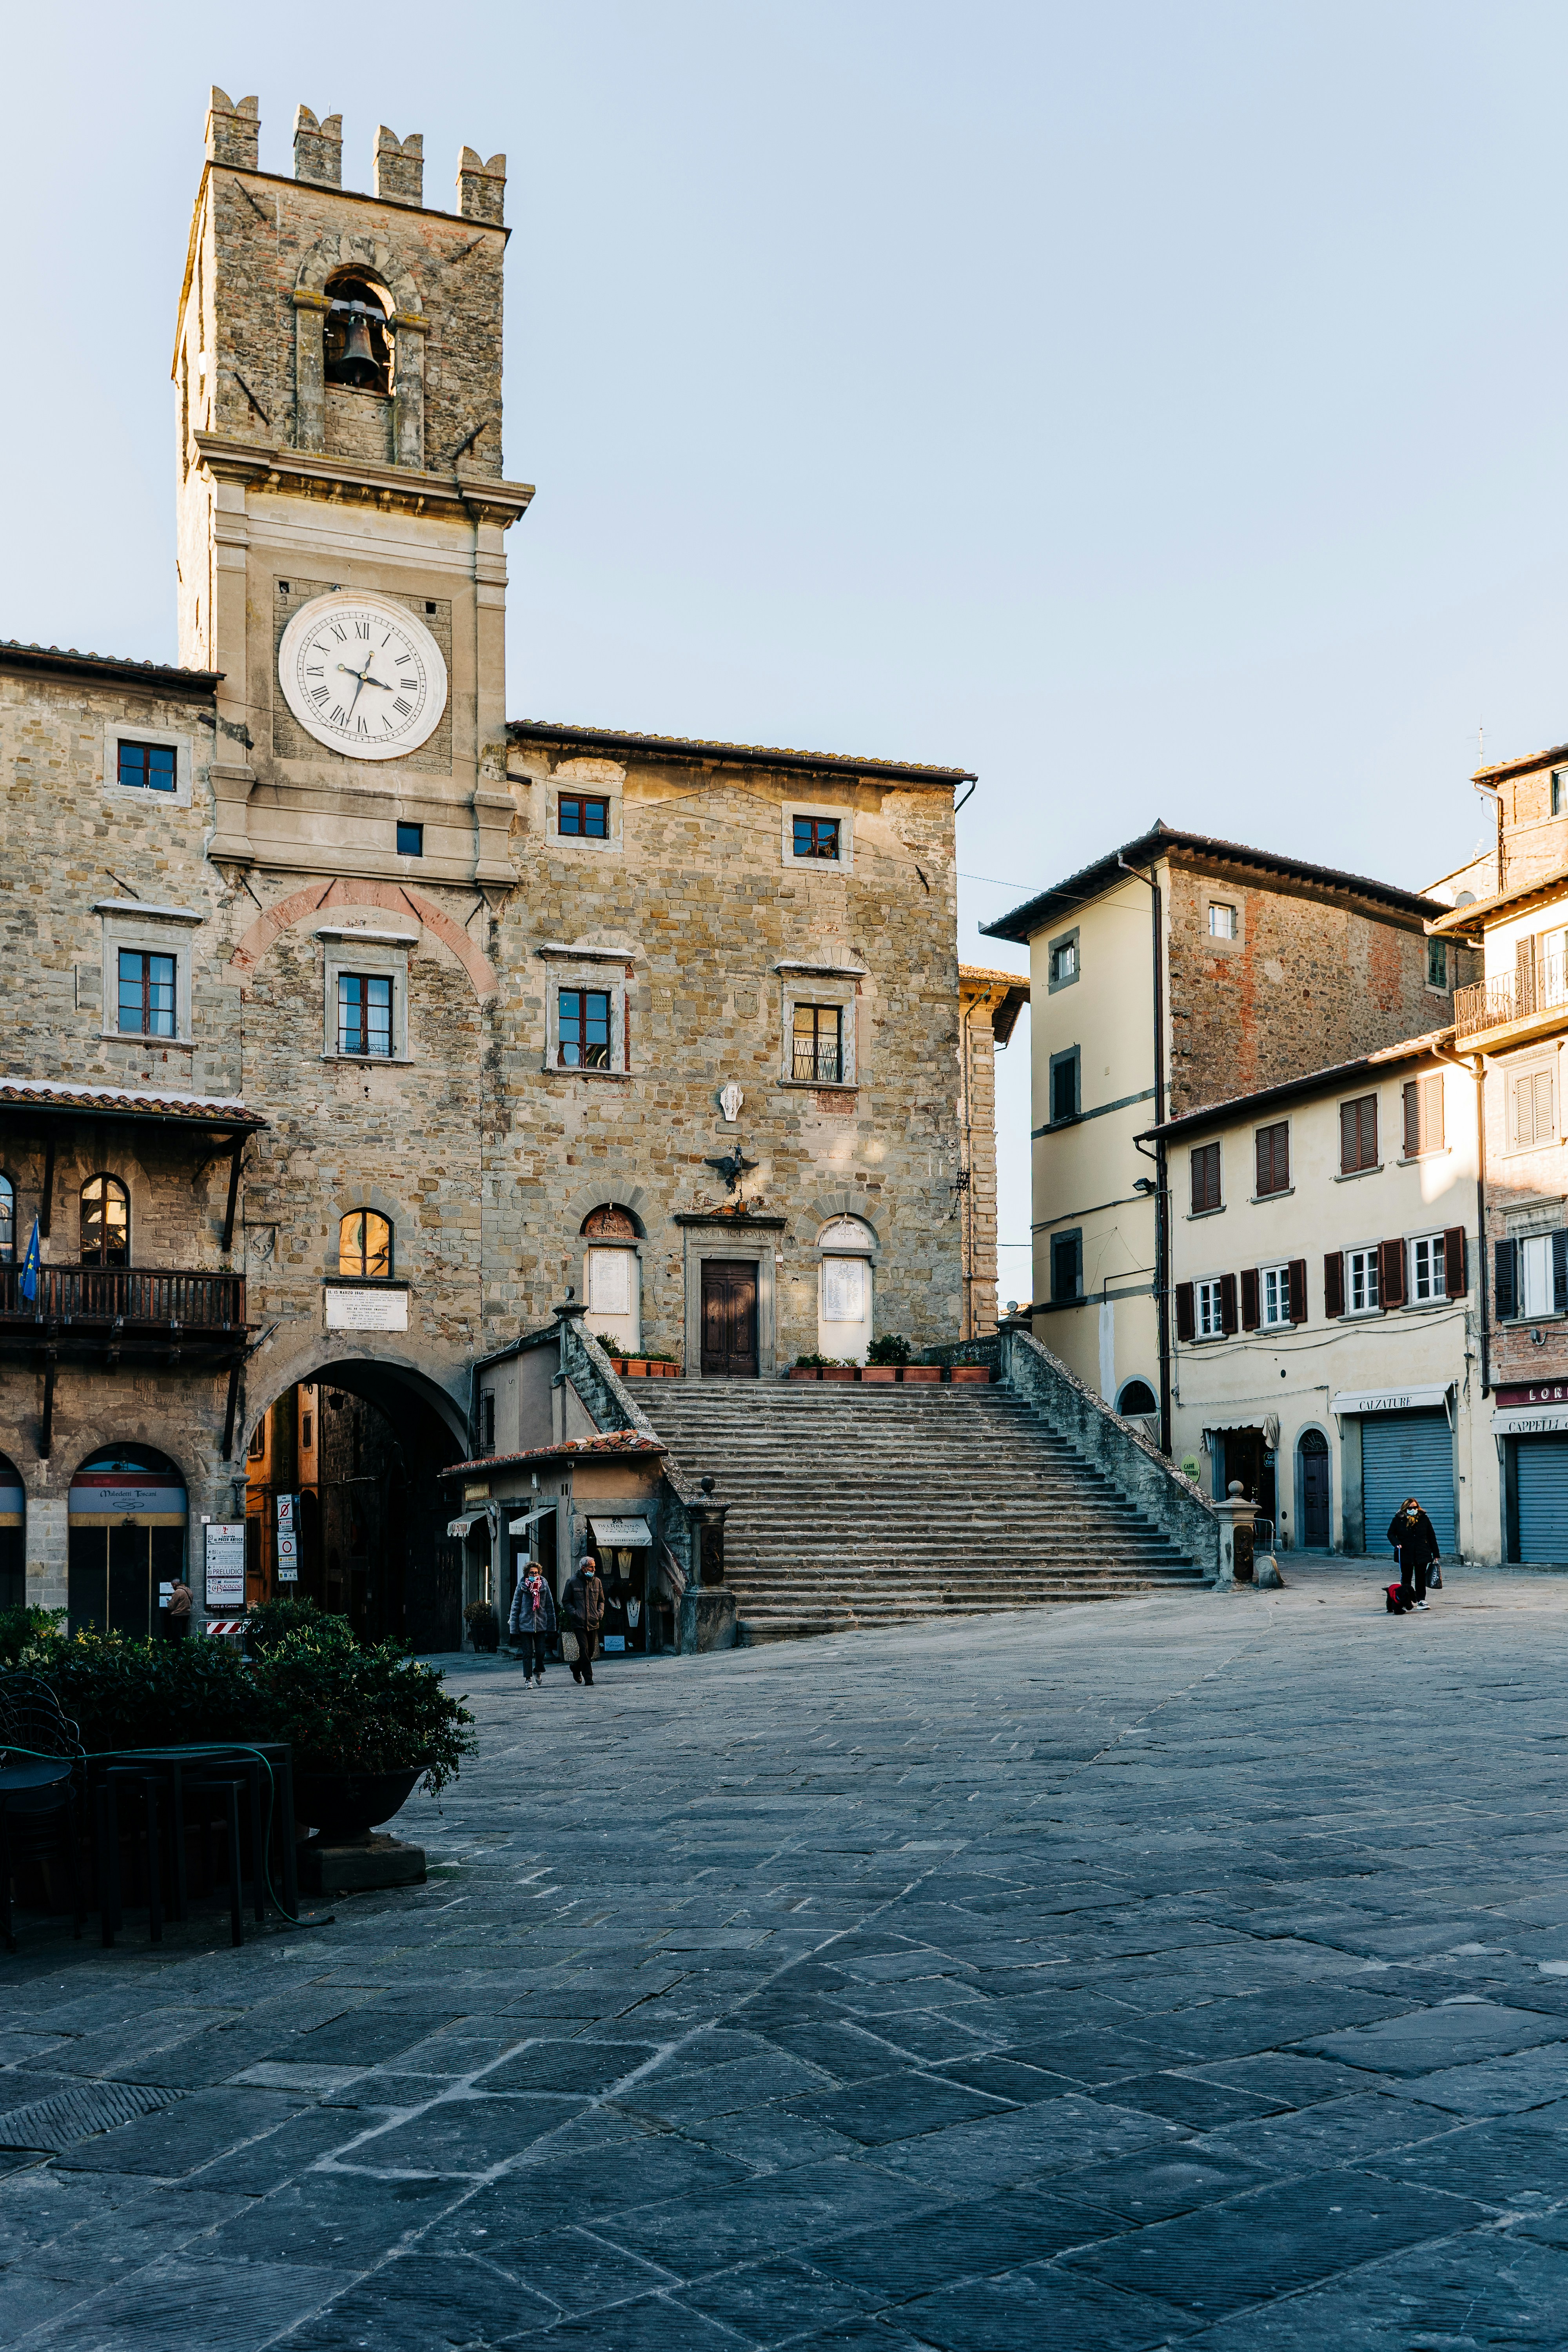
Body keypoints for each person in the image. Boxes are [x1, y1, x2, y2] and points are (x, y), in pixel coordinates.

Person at [508, 1559, 556, 1687]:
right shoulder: (522, 1586)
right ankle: (528, 1679)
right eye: (531, 1573)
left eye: (536, 1573)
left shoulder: (544, 1585)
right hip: (525, 1624)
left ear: (539, 1573)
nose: (534, 1575)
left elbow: (550, 1605)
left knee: (541, 1652)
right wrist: (514, 1626)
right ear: (527, 1574)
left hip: (541, 1624)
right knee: (528, 1653)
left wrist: (552, 1624)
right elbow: (516, 1606)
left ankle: (537, 1671)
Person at [561, 1553, 605, 1686]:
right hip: (579, 1622)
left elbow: (602, 1600)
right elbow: (566, 1601)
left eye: (594, 1567)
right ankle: (589, 1677)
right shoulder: (572, 1582)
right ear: (584, 1568)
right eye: (591, 1567)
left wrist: (599, 1614)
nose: (594, 1570)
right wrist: (575, 1613)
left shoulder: (597, 1582)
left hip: (593, 1621)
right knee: (584, 1649)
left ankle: (576, 1667)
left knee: (591, 1651)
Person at [1388, 1496, 1439, 1611]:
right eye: (1410, 1508)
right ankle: (1405, 1600)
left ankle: (1421, 1600)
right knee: (1406, 1578)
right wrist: (1397, 1543)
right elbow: (1390, 1534)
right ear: (1405, 1509)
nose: (1413, 1510)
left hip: (1422, 1552)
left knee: (1421, 1578)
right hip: (1405, 1553)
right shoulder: (1398, 1519)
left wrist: (1436, 1554)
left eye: (1415, 1507)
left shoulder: (1424, 1519)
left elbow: (1431, 1536)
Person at [165, 1575, 193, 1641]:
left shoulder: (178, 1592)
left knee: (177, 1634)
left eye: (173, 1586)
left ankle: (178, 1649)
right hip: (187, 1614)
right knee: (184, 1632)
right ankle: (185, 1647)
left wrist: (168, 1603)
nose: (173, 1587)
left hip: (178, 1615)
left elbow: (171, 1606)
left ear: (175, 1584)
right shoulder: (189, 1590)